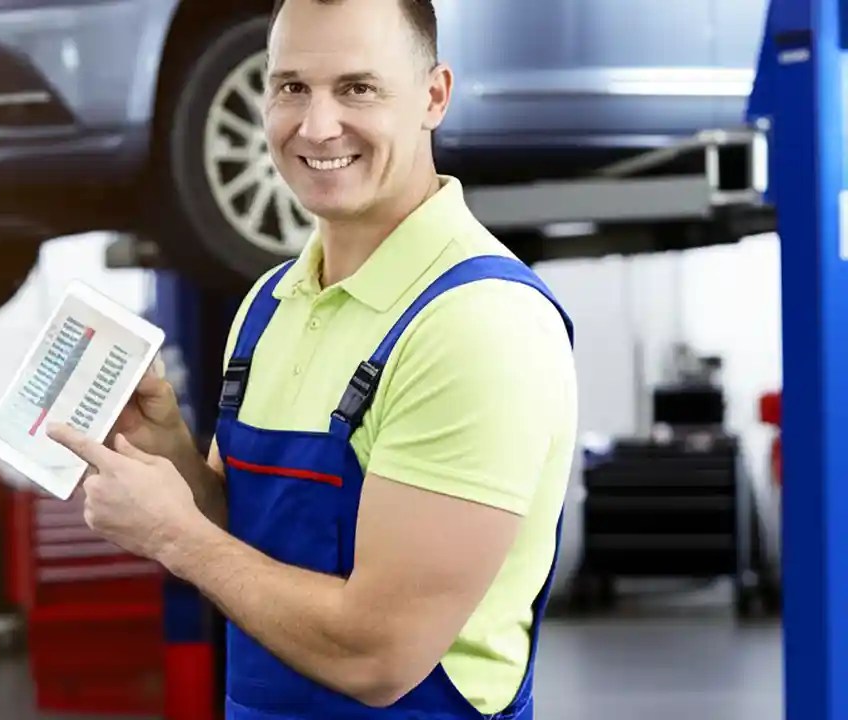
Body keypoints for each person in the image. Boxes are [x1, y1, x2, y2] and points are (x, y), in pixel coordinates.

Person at [47, 0, 578, 716]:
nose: (316, 126)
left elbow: (380, 652)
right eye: (291, 86)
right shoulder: (271, 303)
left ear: (434, 96)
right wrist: (168, 450)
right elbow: (247, 542)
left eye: (358, 88)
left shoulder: (479, 324)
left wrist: (175, 536)